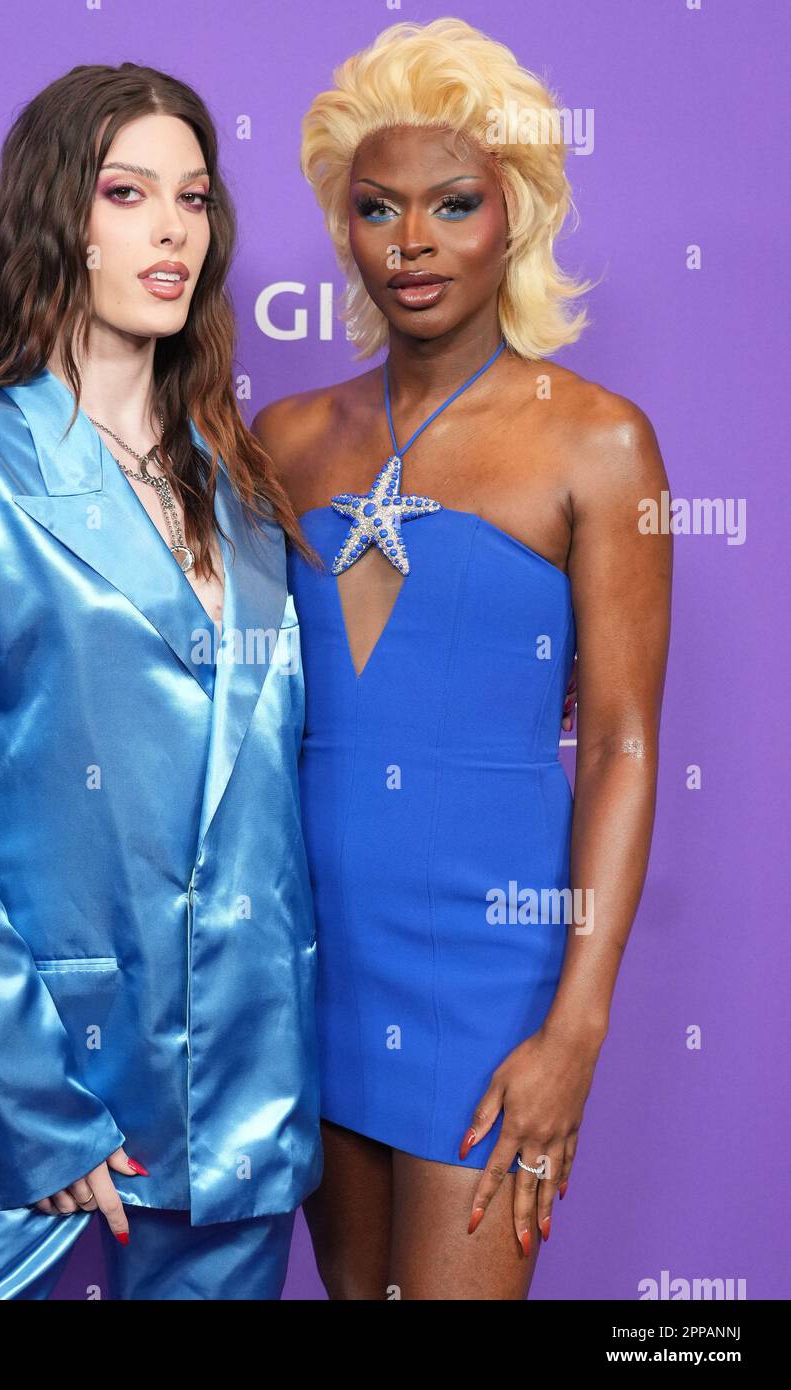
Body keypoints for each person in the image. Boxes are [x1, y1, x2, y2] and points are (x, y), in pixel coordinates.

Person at [0, 62, 320, 1300]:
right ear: (57, 214)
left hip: (233, 1117)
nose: (169, 228)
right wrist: (36, 1108)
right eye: (126, 191)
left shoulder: (242, 488)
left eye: (193, 198)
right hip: (14, 1119)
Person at [252, 18, 671, 1299]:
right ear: (343, 228)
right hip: (307, 964)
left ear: (517, 214)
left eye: (451, 203)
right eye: (377, 208)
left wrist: (574, 1029)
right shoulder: (281, 437)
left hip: (491, 974)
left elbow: (618, 747)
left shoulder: (598, 445)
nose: (411, 240)